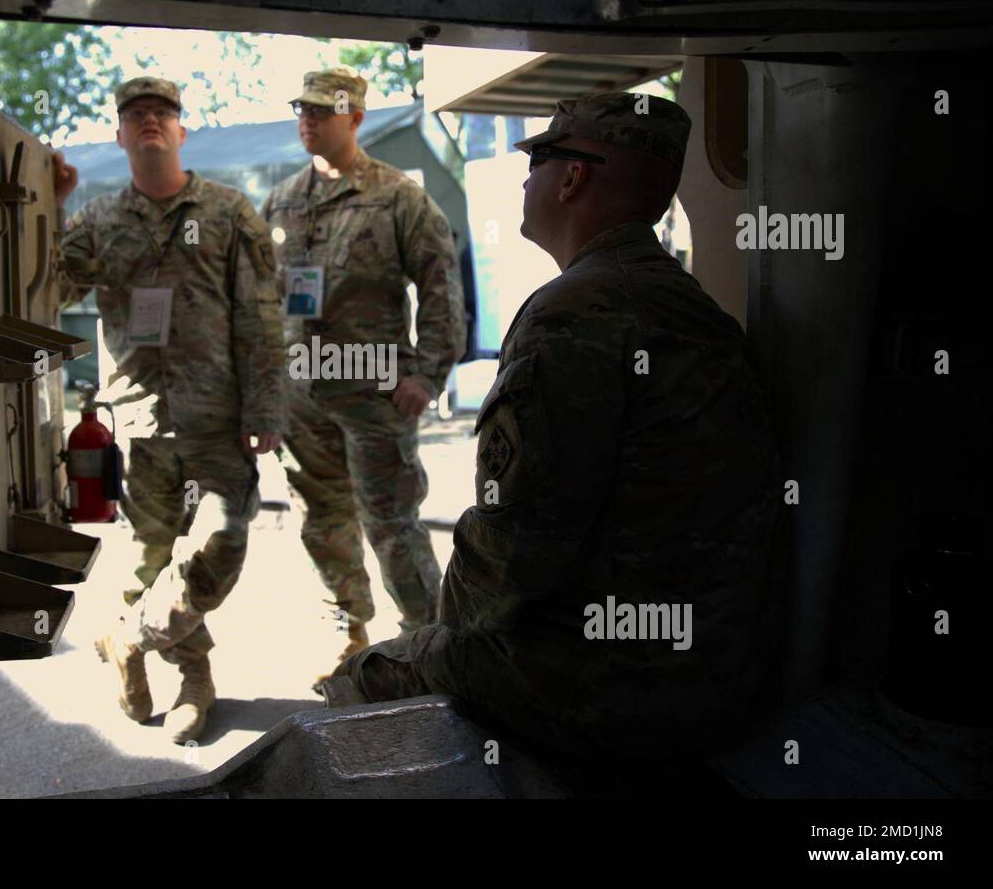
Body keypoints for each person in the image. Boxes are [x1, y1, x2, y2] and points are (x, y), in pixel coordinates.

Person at [326, 92, 783, 762]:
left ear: (573, 178)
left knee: (359, 677)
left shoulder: (573, 316)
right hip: (717, 666)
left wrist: (442, 646)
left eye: (539, 156)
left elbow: (509, 561)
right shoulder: (689, 303)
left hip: (616, 689)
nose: (526, 173)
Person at [53, 76, 285, 744]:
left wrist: (266, 405)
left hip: (219, 417)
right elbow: (50, 284)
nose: (150, 121)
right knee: (148, 560)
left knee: (220, 544)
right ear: (119, 135)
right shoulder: (98, 221)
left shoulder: (230, 211)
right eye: (135, 115)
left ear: (182, 131)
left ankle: (127, 637)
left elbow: (261, 315)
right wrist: (58, 202)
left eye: (163, 113)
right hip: (142, 418)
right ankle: (194, 681)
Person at [262, 68, 466, 686]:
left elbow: (440, 287)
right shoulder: (283, 199)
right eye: (303, 109)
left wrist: (427, 375)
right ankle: (348, 637)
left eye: (322, 112)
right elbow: (264, 300)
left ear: (354, 118)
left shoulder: (398, 196)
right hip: (303, 396)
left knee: (392, 525)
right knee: (321, 521)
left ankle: (430, 650)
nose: (309, 120)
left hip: (375, 392)